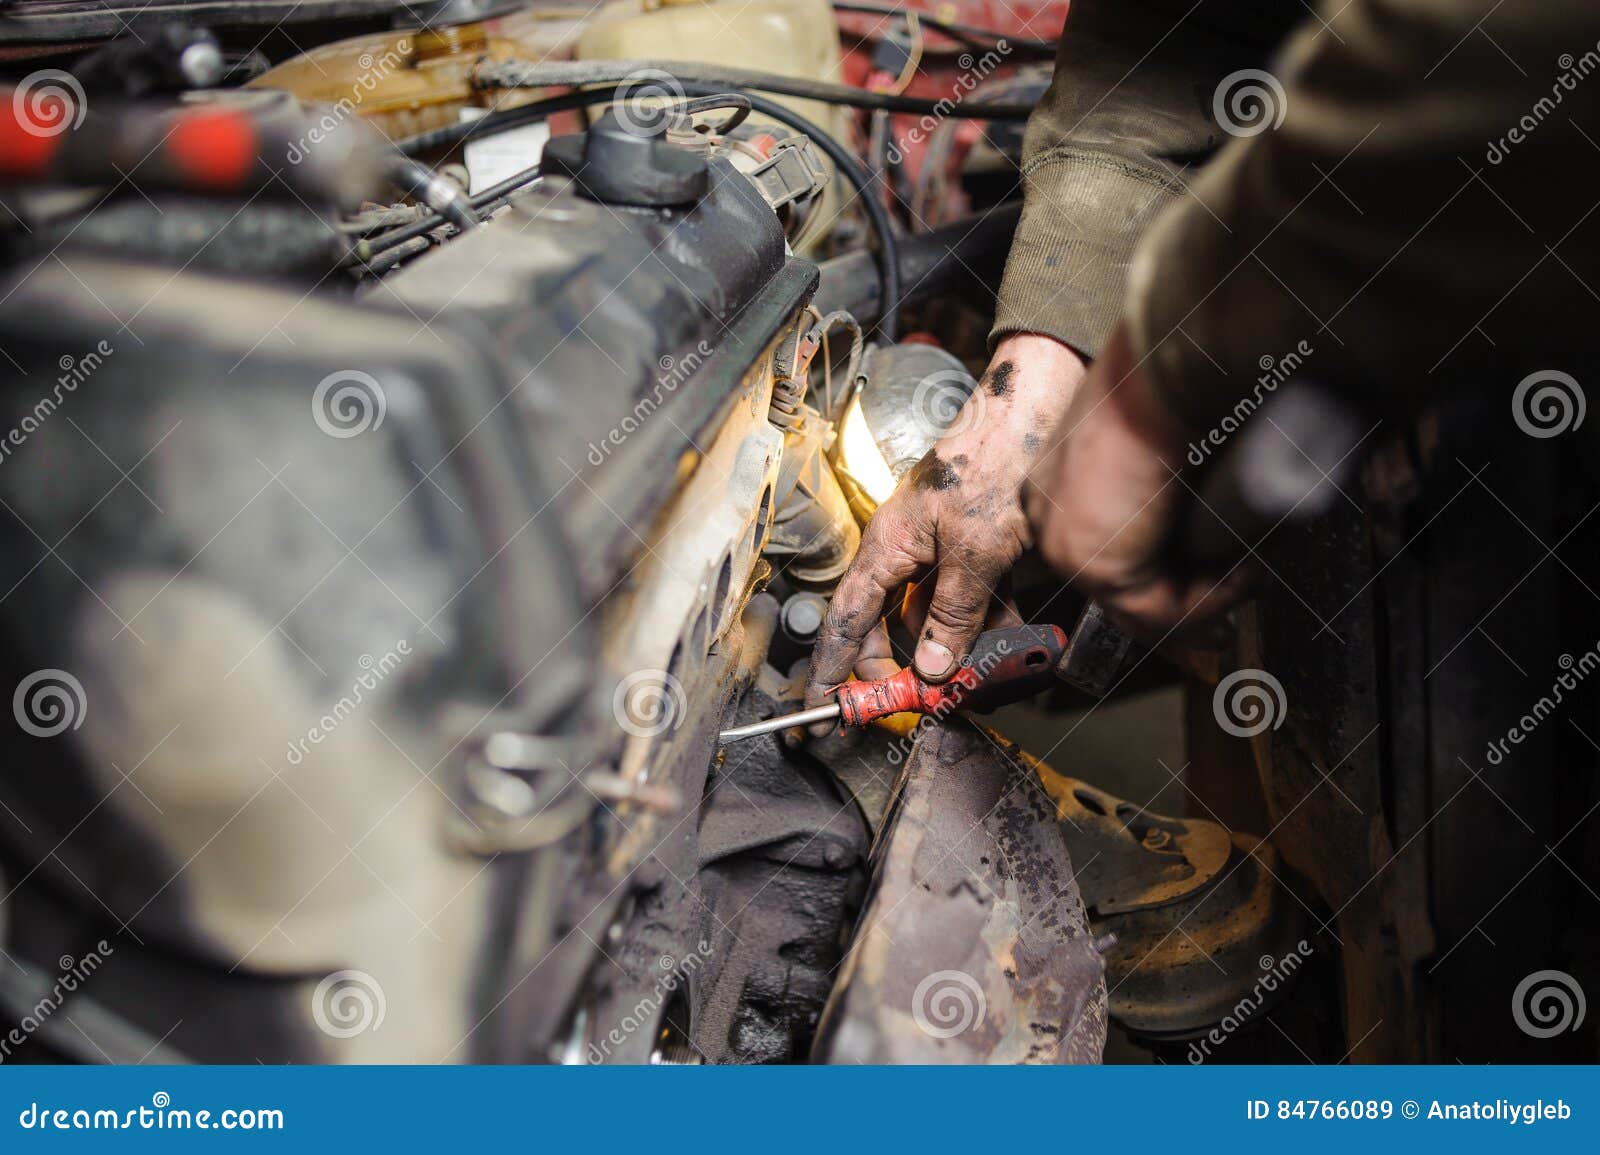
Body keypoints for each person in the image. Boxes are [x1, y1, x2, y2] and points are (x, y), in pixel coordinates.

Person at [806, 0, 1600, 1061]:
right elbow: (1170, 39)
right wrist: (1034, 372)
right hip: (1373, 508)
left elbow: (1504, 51)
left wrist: (1158, 387)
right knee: (1351, 921)